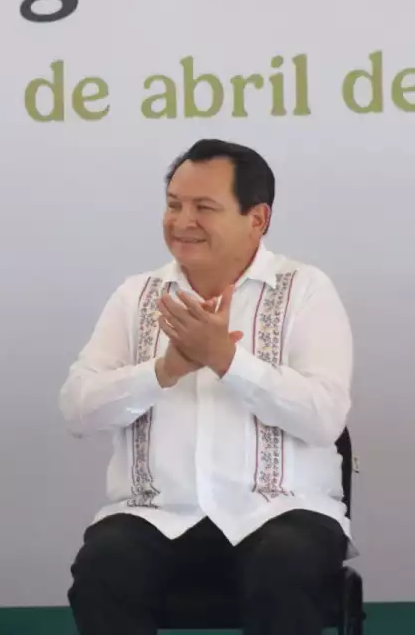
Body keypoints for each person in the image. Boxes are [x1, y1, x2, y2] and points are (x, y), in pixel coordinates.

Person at [59, 139, 354, 635]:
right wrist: (164, 371)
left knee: (284, 566)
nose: (181, 221)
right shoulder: (137, 296)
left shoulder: (306, 290)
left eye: (204, 207)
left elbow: (325, 417)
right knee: (104, 566)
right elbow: (77, 409)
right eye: (174, 205)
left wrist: (226, 360)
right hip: (157, 515)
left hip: (281, 511)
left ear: (257, 218)